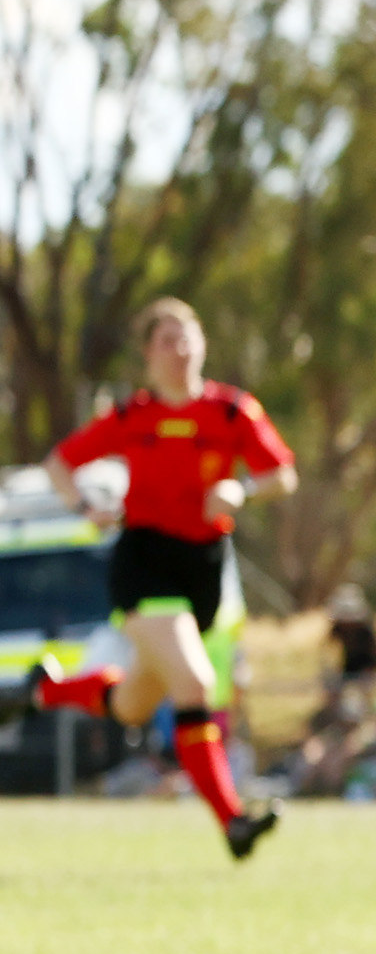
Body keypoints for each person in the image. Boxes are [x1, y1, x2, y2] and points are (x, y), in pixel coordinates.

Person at [19, 298, 298, 858]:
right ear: (147, 354)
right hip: (144, 563)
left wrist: (242, 489)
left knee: (132, 705)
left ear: (204, 344)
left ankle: (44, 690)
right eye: (167, 339)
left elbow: (282, 474)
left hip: (203, 567)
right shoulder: (132, 416)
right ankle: (233, 820)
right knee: (194, 684)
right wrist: (86, 508)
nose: (180, 348)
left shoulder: (232, 411)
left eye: (188, 335)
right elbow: (58, 465)